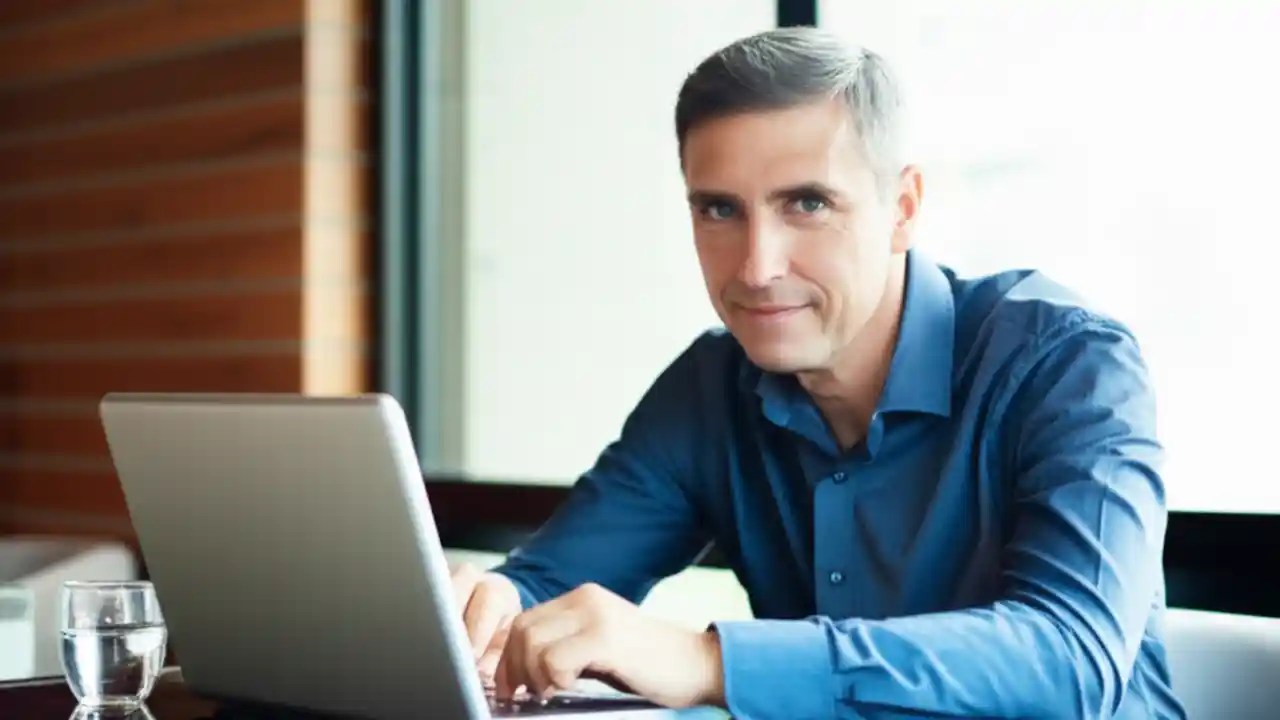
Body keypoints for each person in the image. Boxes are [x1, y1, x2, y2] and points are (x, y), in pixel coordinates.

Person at [450, 27, 1184, 719]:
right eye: (719, 210)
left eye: (807, 203)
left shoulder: (1069, 363)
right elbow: (550, 585)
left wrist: (711, 661)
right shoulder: (711, 388)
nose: (757, 267)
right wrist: (489, 608)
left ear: (902, 208)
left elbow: (1072, 657)